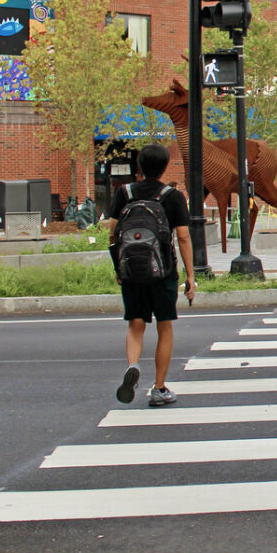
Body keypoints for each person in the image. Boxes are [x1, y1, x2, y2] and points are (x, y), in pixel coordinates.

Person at [111, 143, 196, 408]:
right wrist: (191, 276)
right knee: (164, 325)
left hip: (131, 271)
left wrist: (119, 267)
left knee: (136, 323)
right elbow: (182, 237)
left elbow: (113, 234)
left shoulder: (123, 193)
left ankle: (133, 366)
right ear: (165, 167)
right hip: (163, 272)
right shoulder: (171, 196)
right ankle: (159, 388)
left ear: (139, 166)